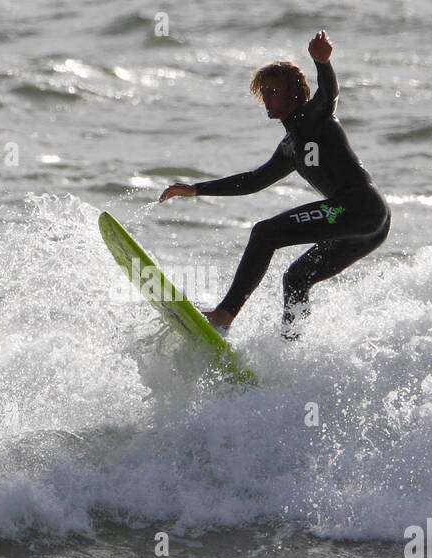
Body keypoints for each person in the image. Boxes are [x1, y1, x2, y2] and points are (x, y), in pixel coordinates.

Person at [160, 30, 391, 338]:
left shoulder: (315, 116)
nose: (266, 97)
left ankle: (223, 315)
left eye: (272, 90)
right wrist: (197, 189)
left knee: (265, 233)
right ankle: (292, 348)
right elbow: (254, 181)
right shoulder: (290, 147)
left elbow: (329, 92)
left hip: (358, 208)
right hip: (369, 223)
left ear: (293, 93)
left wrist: (322, 62)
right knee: (296, 277)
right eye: (263, 91)